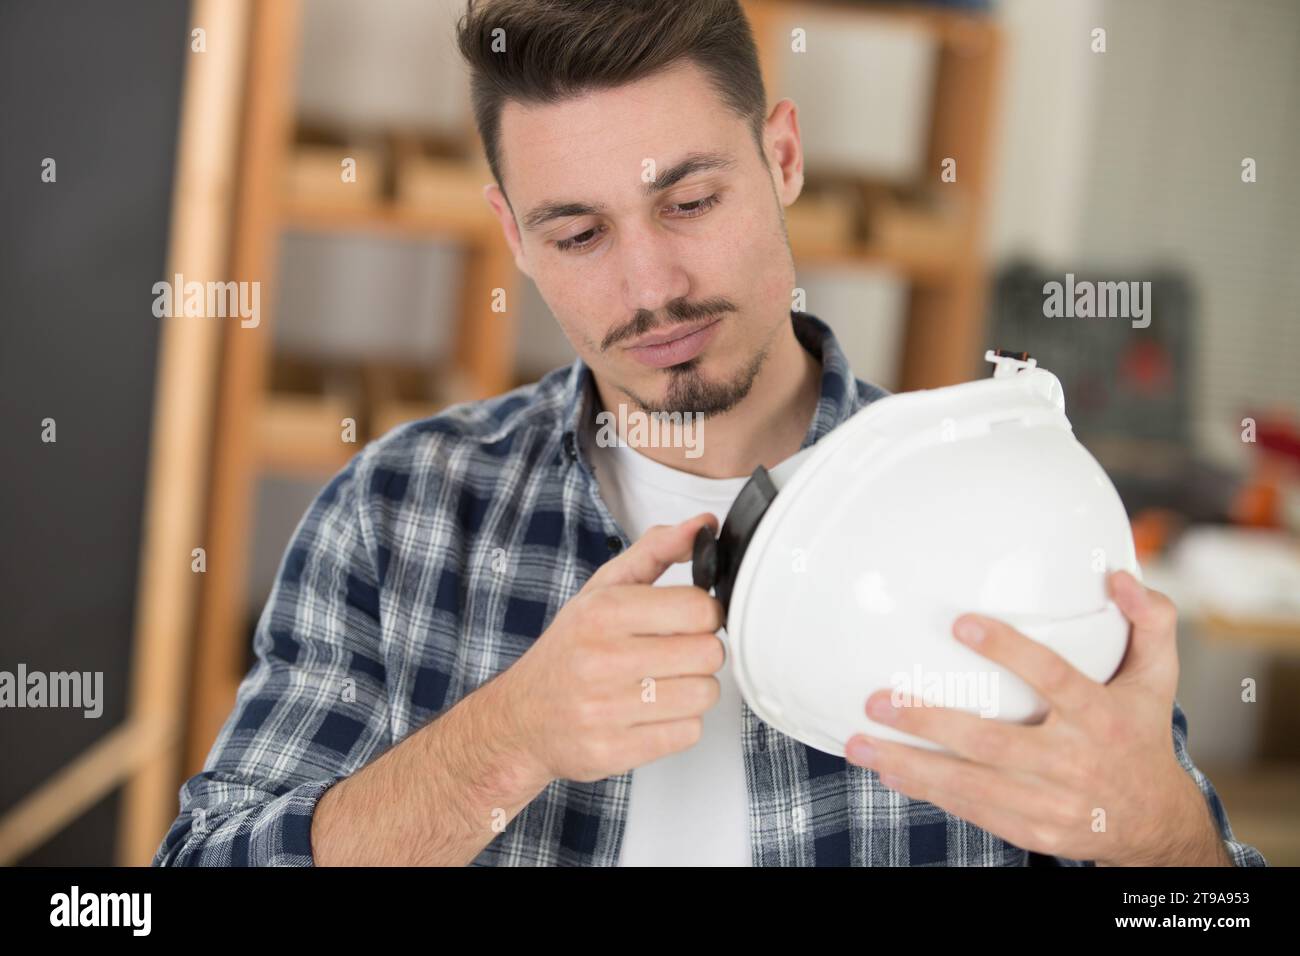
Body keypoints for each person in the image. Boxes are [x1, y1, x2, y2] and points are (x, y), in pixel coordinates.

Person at [154, 0, 1265, 867]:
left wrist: (1163, 836)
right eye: (578, 232)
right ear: (515, 238)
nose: (653, 286)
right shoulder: (398, 515)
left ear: (782, 156)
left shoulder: (1007, 515)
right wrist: (510, 737)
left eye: (689, 202)